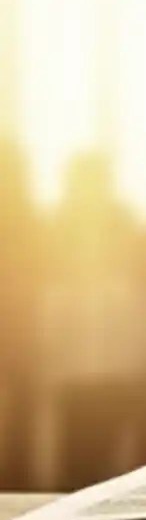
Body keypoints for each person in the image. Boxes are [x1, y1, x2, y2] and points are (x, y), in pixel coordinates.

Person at [44, 153, 146, 489]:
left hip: (115, 376)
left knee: (115, 466)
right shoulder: (59, 228)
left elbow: (135, 328)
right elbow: (50, 339)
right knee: (74, 466)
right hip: (74, 380)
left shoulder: (123, 226)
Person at [0, 142, 43, 488]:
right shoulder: (30, 217)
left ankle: (16, 479)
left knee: (21, 415)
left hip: (21, 329)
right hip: (20, 328)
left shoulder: (29, 218)